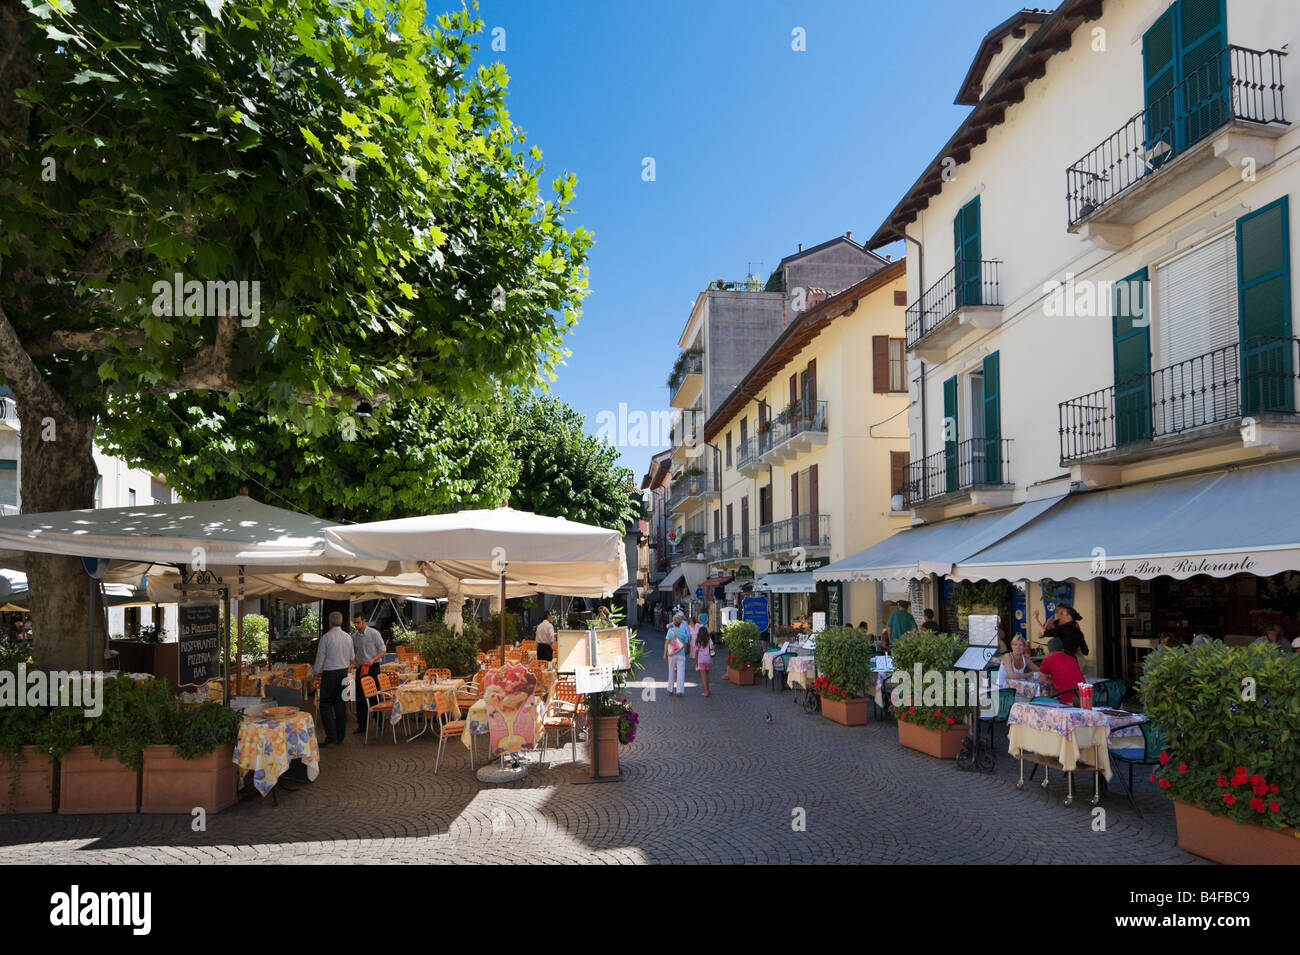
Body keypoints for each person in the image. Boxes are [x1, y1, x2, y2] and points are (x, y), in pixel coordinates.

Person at [313, 611, 355, 746]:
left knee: (325, 705)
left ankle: (331, 736)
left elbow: (320, 659)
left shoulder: (326, 638)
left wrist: (315, 673)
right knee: (340, 704)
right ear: (341, 622)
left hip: (330, 674)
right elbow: (351, 658)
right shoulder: (348, 637)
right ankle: (340, 736)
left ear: (329, 622)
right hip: (343, 672)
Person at [351, 613, 387, 734]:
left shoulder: (374, 633)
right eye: (355, 623)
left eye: (358, 622)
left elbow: (383, 650)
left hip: (373, 667)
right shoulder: (354, 637)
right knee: (360, 697)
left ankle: (380, 723)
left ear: (364, 621)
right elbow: (353, 653)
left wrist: (373, 660)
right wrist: (355, 663)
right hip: (361, 668)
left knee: (374, 696)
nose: (356, 625)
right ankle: (362, 725)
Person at [1038, 637, 1084, 705]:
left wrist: (1054, 681)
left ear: (1049, 650)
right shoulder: (1071, 658)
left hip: (1067, 700)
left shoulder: (1047, 660)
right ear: (1062, 649)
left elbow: (1042, 679)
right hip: (1084, 698)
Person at [664, 612, 689, 698]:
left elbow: (666, 643)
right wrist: (685, 652)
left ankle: (670, 689)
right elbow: (685, 644)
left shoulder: (670, 631)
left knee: (671, 671)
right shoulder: (682, 632)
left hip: (671, 654)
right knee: (681, 672)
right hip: (681, 654)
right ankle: (679, 691)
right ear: (680, 623)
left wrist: (664, 654)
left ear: (673, 622)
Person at [693, 623, 714, 697]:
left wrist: (696, 661)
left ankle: (706, 691)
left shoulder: (698, 640)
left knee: (703, 676)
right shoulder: (708, 639)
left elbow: (696, 651)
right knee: (707, 675)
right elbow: (712, 647)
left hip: (701, 659)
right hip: (708, 658)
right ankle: (708, 689)